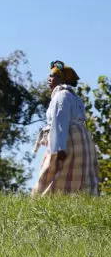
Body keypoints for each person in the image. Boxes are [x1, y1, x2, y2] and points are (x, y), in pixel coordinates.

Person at [33, 61, 100, 196]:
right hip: (81, 141)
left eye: (53, 76)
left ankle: (45, 201)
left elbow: (60, 121)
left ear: (62, 79)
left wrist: (59, 149)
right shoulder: (75, 98)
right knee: (77, 175)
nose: (49, 79)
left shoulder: (61, 96)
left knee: (53, 174)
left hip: (68, 141)